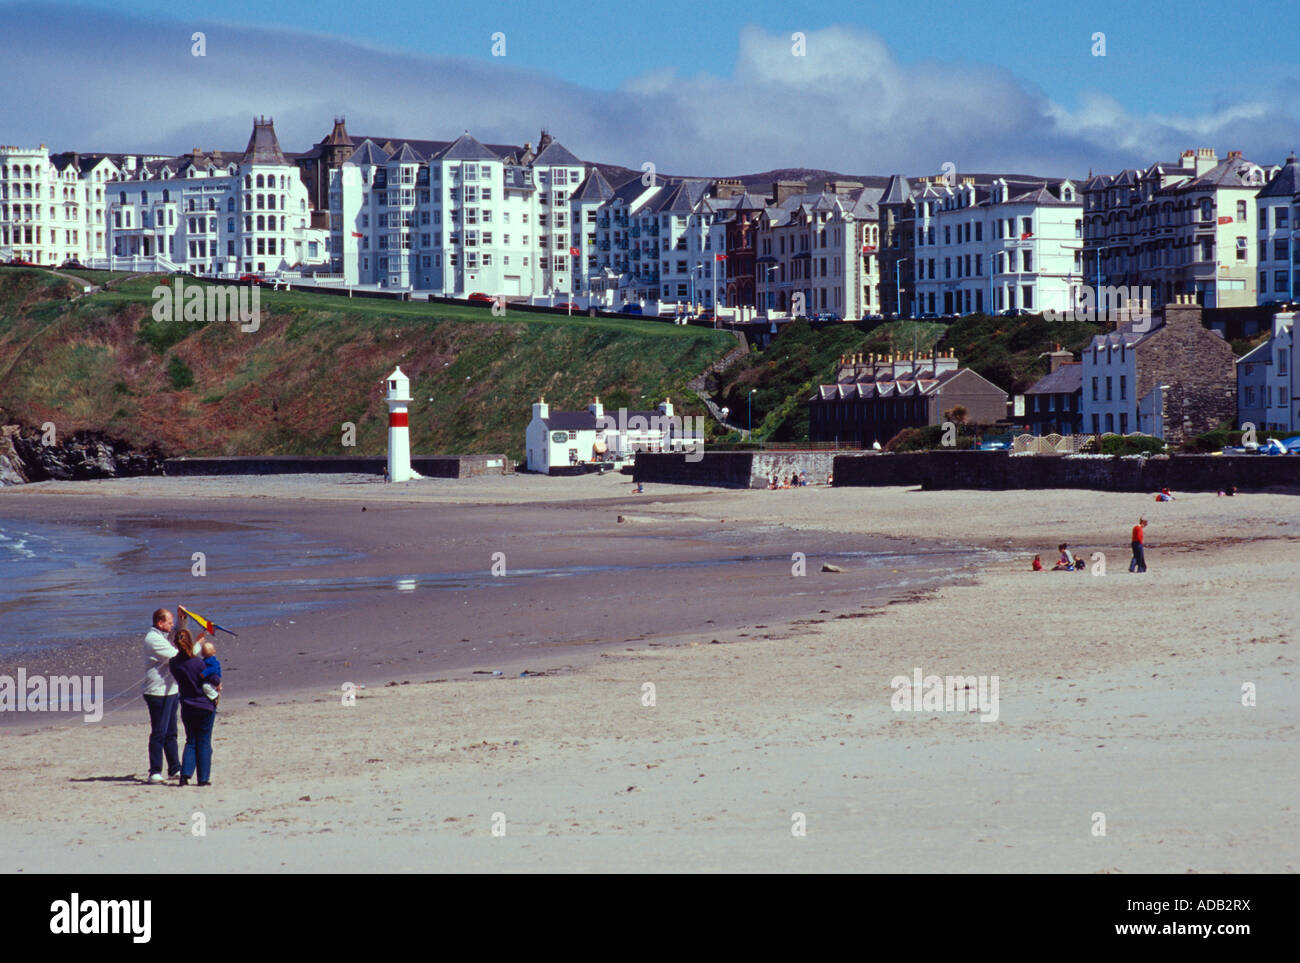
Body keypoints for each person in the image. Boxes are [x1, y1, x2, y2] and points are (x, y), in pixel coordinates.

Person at [170, 629, 218, 787]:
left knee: (191, 741)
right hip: (203, 704)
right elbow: (214, 678)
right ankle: (203, 778)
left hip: (187, 705)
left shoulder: (174, 663)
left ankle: (185, 775)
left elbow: (185, 658)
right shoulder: (198, 663)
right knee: (203, 740)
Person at [143, 607, 182, 784]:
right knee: (159, 731)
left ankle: (174, 768)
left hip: (171, 690)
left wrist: (183, 621)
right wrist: (197, 644)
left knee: (172, 732)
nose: (172, 625)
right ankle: (154, 771)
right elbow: (178, 656)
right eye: (170, 622)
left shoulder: (163, 636)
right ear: (160, 623)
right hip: (157, 693)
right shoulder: (152, 639)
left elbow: (180, 638)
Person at [199, 639, 223, 707]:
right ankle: (213, 697)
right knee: (206, 687)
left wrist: (203, 674)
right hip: (213, 678)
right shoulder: (210, 660)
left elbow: (211, 669)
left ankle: (215, 696)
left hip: (214, 678)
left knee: (205, 687)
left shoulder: (210, 661)